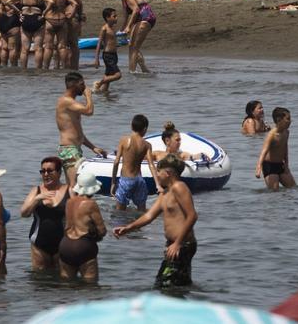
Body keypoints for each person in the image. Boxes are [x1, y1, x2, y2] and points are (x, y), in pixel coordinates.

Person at [113, 154, 198, 288]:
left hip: (183, 245)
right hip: (172, 244)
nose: (157, 175)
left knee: (165, 285)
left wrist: (177, 243)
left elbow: (192, 216)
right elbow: (149, 216)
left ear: (168, 173)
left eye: (159, 171)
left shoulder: (179, 187)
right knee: (178, 284)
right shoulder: (165, 193)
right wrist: (128, 228)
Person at [56, 72, 108, 186]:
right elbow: (89, 111)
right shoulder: (66, 101)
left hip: (74, 149)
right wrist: (88, 95)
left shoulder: (71, 103)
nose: (84, 87)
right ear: (74, 85)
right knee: (75, 187)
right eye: (82, 84)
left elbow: (77, 133)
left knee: (74, 186)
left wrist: (93, 148)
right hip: (69, 150)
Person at [19, 156, 68, 272]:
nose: (46, 174)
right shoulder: (36, 190)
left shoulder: (68, 190)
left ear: (59, 172)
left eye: (50, 171)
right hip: (39, 244)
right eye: (43, 171)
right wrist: (37, 199)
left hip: (62, 243)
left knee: (62, 280)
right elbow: (24, 213)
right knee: (39, 279)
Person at [59, 172, 106, 281]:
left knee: (67, 285)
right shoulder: (91, 204)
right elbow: (102, 230)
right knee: (91, 288)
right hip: (83, 246)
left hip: (66, 245)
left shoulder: (69, 202)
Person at [106, 0, 154, 74]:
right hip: (140, 19)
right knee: (132, 45)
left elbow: (136, 9)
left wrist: (128, 27)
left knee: (134, 47)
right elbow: (125, 16)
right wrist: (122, 29)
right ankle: (145, 70)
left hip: (145, 17)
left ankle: (132, 72)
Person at [4, 0, 51, 69]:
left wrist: (18, 12)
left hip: (25, 19)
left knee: (24, 50)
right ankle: (38, 70)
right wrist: (45, 12)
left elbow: (8, 2)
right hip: (37, 19)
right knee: (38, 49)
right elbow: (51, 1)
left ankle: (23, 70)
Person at [112, 114, 158, 212]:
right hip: (139, 180)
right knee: (142, 211)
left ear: (131, 126)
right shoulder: (147, 145)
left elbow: (116, 162)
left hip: (126, 180)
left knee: (119, 211)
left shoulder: (124, 140)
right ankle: (139, 227)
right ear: (145, 129)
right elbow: (151, 165)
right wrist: (158, 184)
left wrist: (113, 182)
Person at [256, 107, 296, 190]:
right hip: (269, 166)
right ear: (278, 120)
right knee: (274, 192)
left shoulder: (286, 132)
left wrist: (287, 164)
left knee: (293, 188)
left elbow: (285, 148)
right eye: (288, 119)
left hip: (281, 165)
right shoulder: (271, 135)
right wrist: (259, 167)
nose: (290, 121)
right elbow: (264, 151)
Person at [91, 7, 123, 92]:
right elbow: (99, 44)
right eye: (114, 16)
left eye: (116, 16)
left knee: (108, 79)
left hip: (114, 55)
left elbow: (112, 41)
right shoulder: (104, 28)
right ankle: (99, 83)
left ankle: (102, 93)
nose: (116, 18)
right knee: (118, 75)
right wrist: (96, 59)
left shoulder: (113, 28)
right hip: (108, 55)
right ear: (107, 18)